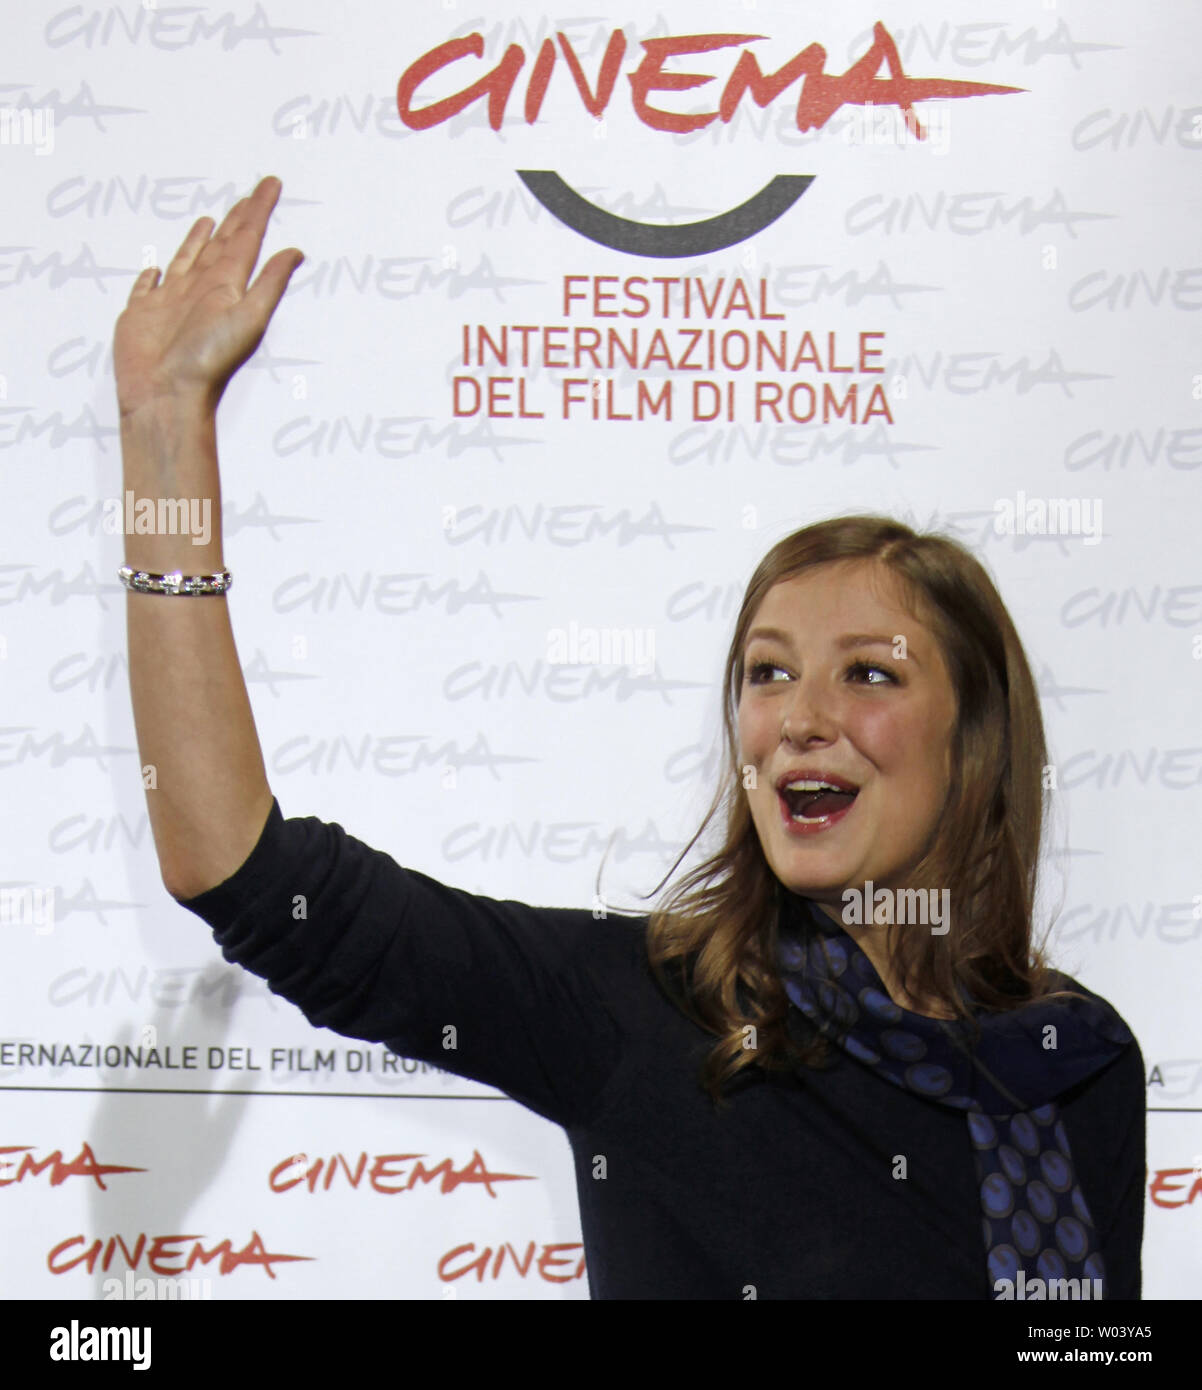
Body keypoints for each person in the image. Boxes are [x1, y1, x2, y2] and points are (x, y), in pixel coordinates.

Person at [115, 175, 1145, 1301]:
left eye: (866, 673)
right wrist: (167, 429)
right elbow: (240, 867)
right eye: (765, 673)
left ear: (975, 736)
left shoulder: (1074, 1059)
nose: (799, 716)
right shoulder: (646, 1008)